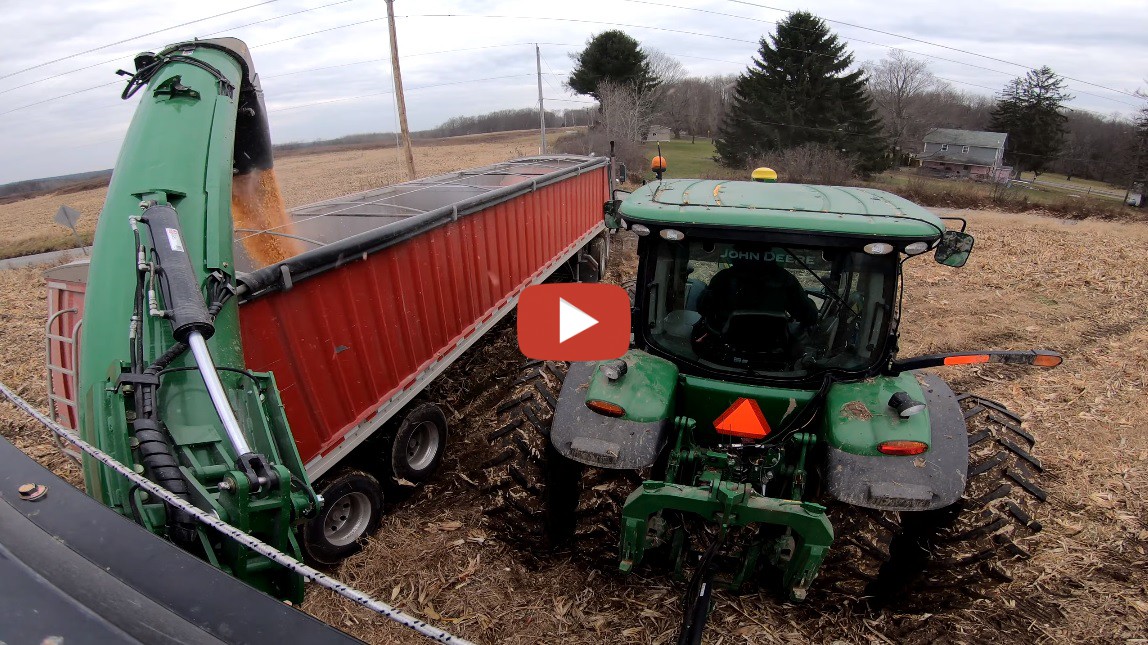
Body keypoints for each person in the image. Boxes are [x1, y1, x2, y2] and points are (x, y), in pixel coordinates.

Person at [693, 247, 818, 363]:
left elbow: (702, 307)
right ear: (770, 254)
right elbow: (810, 316)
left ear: (737, 254)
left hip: (725, 353)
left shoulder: (723, 278)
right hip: (774, 355)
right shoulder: (785, 280)